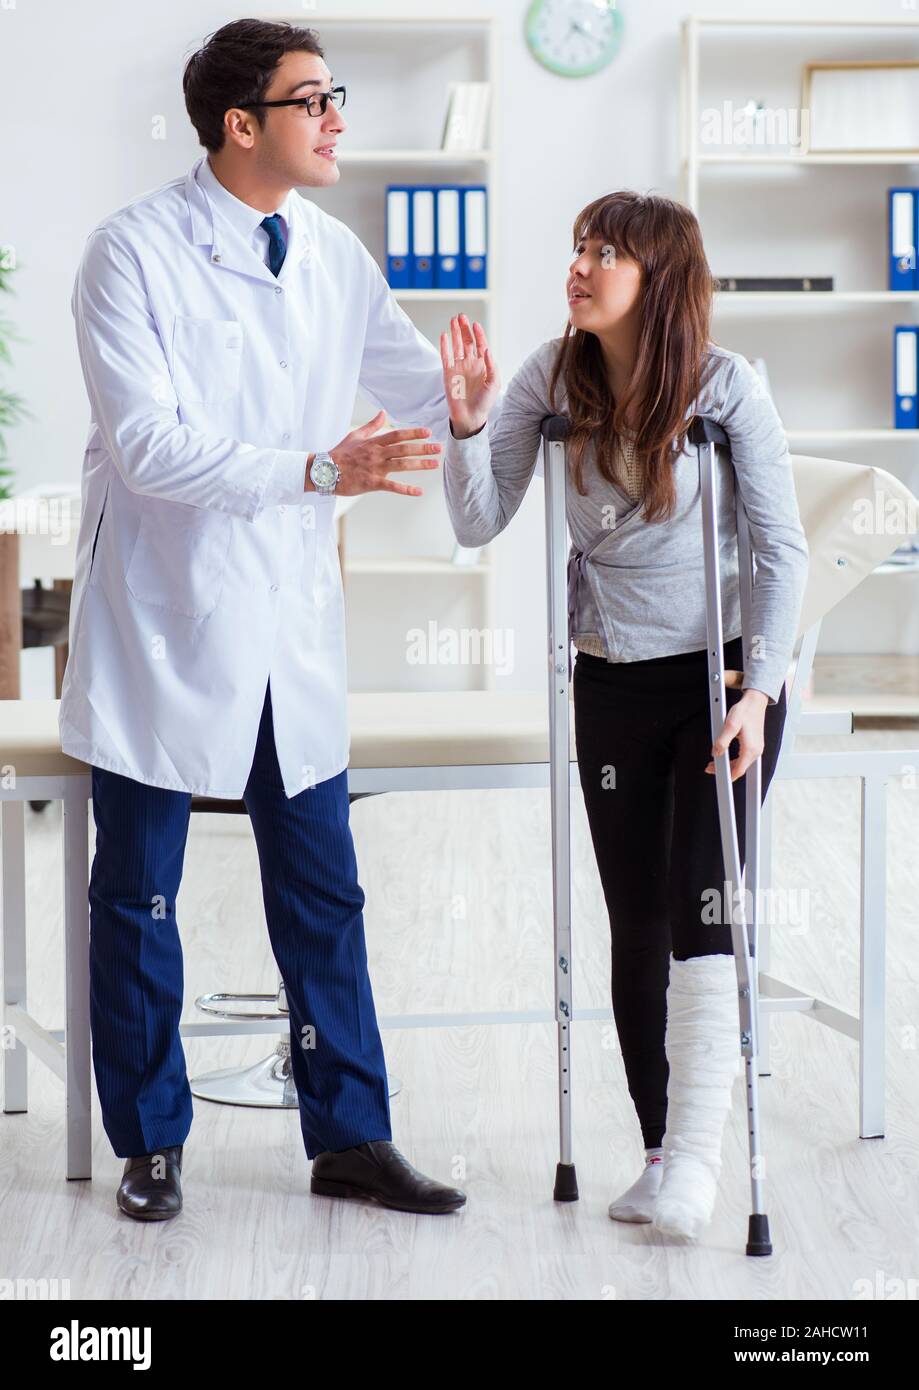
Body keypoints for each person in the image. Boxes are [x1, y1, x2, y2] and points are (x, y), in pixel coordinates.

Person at [62, 17, 466, 1221]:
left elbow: (418, 396)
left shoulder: (334, 255)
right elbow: (147, 448)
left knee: (323, 892)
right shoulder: (128, 253)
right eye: (315, 98)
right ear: (243, 126)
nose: (338, 116)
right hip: (166, 620)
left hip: (288, 623)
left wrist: (470, 400)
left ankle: (349, 1133)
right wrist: (316, 473)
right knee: (138, 893)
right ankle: (150, 1140)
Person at [440, 190, 809, 1241]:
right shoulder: (550, 379)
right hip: (610, 674)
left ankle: (697, 1158)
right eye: (576, 247)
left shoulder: (728, 387)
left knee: (703, 904)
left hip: (725, 679)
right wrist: (466, 419)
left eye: (605, 251)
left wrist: (760, 690)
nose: (581, 264)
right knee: (637, 919)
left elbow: (780, 550)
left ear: (660, 277)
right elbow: (477, 519)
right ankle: (658, 1150)